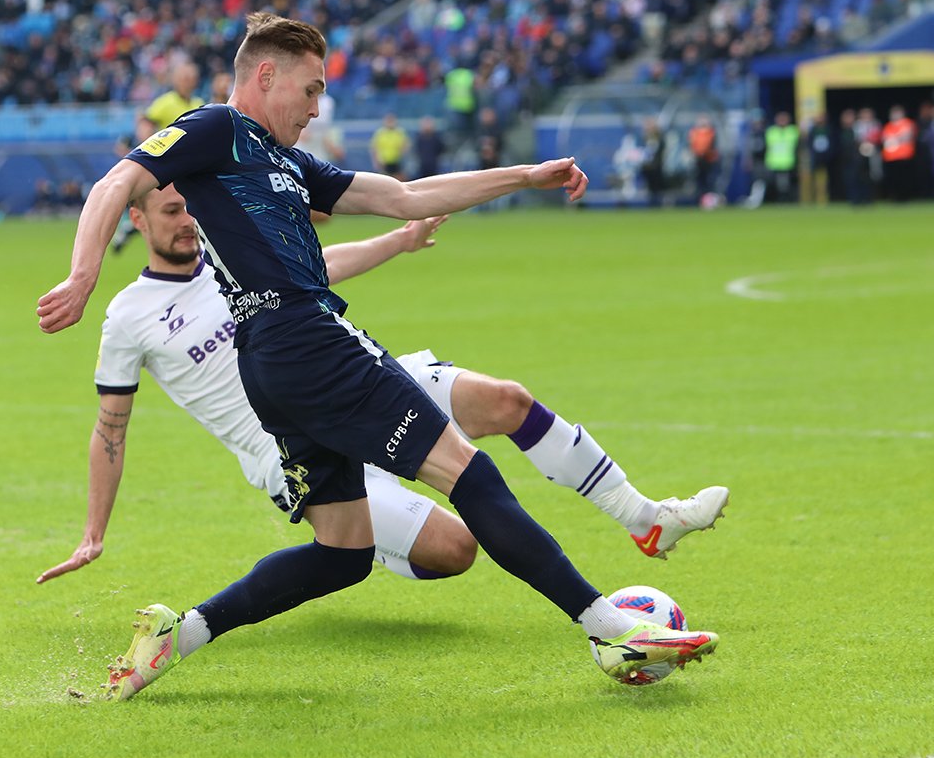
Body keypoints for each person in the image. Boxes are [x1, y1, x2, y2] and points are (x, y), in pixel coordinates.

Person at [37, 13, 721, 698]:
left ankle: (179, 633)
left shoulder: (287, 162)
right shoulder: (217, 127)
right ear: (266, 75)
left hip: (273, 363)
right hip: (308, 342)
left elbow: (403, 197)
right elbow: (115, 183)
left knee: (343, 553)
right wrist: (83, 274)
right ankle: (612, 628)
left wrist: (524, 176)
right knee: (471, 475)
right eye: (310, 90)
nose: (316, 108)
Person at [36, 185, 728, 587]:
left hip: (357, 381)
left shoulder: (230, 256)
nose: (187, 220)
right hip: (291, 449)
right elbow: (110, 429)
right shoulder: (128, 316)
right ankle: (367, 541)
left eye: (190, 207)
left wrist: (397, 240)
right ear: (136, 219)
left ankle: (645, 518)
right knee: (456, 551)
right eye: (169, 211)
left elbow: (319, 263)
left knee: (506, 400)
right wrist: (93, 533)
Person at [112, 62, 206, 254]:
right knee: (165, 208)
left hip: (191, 168)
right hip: (170, 169)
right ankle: (134, 228)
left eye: (191, 78)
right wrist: (149, 151)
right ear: (176, 81)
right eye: (184, 78)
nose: (188, 82)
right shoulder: (166, 102)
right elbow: (145, 122)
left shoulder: (198, 103)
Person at [880, 105, 917, 202]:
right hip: (890, 157)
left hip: (904, 156)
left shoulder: (907, 123)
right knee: (893, 178)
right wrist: (895, 139)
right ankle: (895, 197)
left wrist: (893, 139)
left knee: (904, 178)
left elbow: (906, 137)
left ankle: (905, 197)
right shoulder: (888, 126)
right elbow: (884, 139)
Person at [764, 112, 798, 204]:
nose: (782, 121)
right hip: (773, 162)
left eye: (784, 119)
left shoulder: (793, 131)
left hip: (788, 162)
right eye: (780, 119)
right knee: (774, 184)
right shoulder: (771, 131)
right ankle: (775, 201)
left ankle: (786, 201)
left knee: (786, 185)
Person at [370, 112, 411, 180]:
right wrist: (376, 161)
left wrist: (403, 151)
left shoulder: (399, 132)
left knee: (399, 180)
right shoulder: (380, 133)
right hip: (384, 162)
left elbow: (406, 145)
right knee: (384, 180)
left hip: (397, 161)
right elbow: (374, 148)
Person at [687, 115, 719, 203]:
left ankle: (709, 200)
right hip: (698, 160)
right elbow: (692, 145)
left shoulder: (711, 132)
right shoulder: (694, 132)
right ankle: (699, 200)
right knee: (699, 182)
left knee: (709, 181)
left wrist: (704, 153)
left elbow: (711, 146)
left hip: (708, 160)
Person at [805, 114, 834, 205]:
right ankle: (812, 198)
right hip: (815, 158)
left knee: (825, 180)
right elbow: (809, 144)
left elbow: (832, 144)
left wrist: (829, 155)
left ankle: (823, 198)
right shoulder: (813, 130)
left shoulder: (828, 129)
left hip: (825, 158)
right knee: (813, 178)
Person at [640, 118, 666, 207]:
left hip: (656, 167)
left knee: (657, 188)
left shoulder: (659, 137)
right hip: (647, 167)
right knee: (650, 189)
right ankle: (652, 204)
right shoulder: (643, 138)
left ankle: (658, 204)